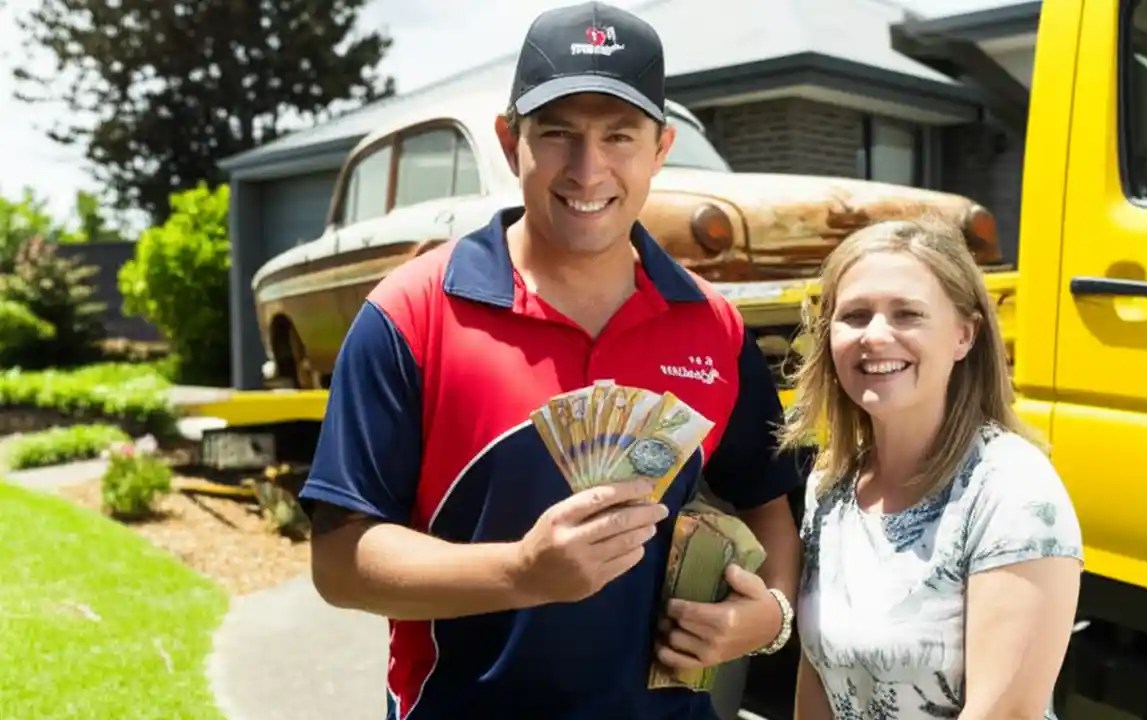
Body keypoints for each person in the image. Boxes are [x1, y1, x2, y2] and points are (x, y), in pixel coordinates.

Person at [297, 2, 802, 718]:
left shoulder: (712, 325)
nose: (588, 169)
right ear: (511, 142)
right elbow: (340, 563)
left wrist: (769, 616)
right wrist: (522, 573)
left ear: (661, 148)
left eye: (618, 135)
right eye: (557, 133)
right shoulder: (410, 315)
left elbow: (768, 504)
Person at [777, 217, 1084, 719]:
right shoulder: (829, 485)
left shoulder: (1010, 489)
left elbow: (1005, 714)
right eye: (854, 315)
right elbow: (818, 676)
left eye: (907, 314)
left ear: (965, 335)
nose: (875, 336)